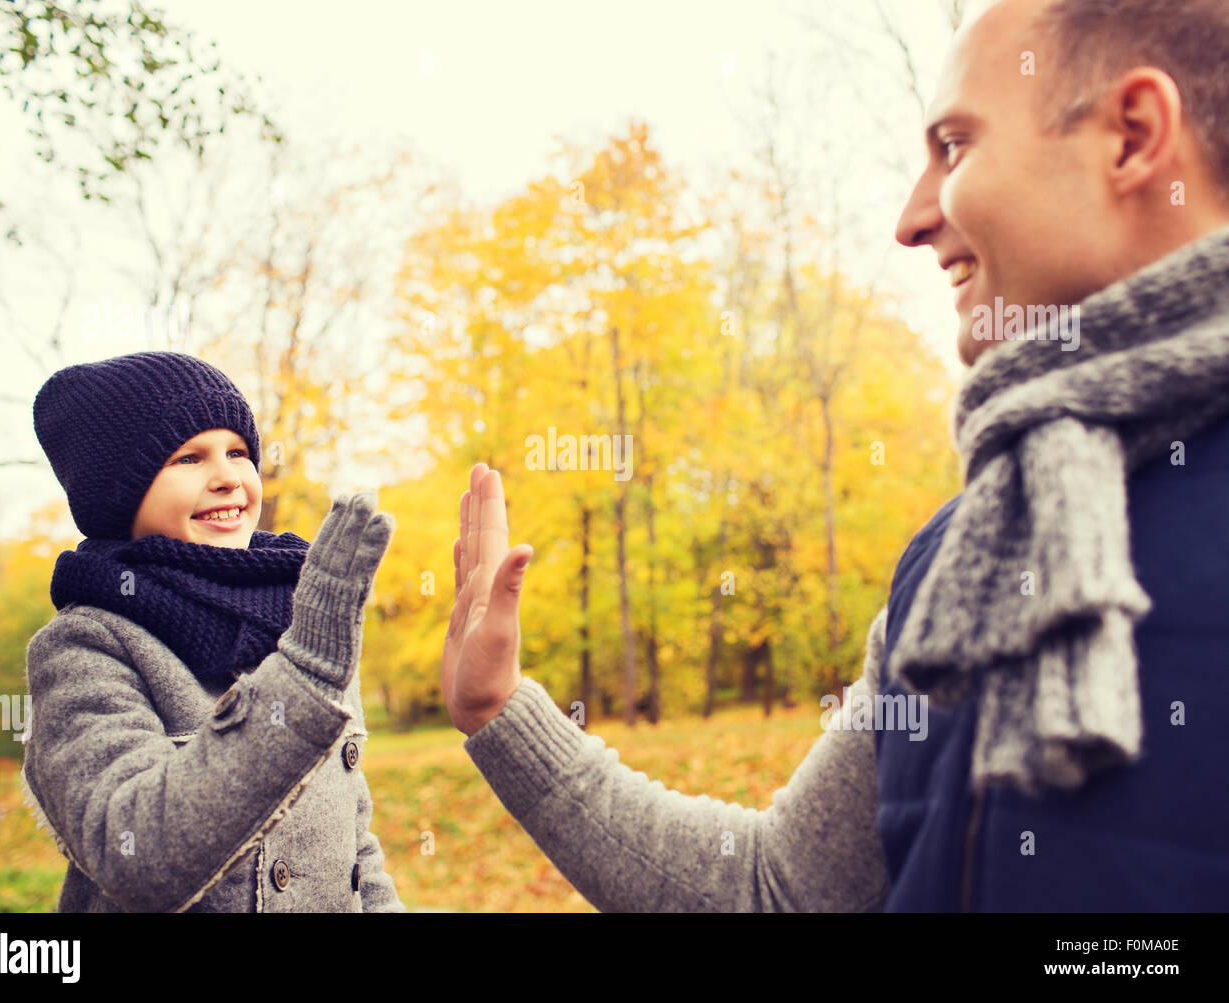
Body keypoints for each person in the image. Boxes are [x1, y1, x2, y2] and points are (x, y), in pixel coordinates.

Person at [440, 0, 1229, 911]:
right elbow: (779, 889)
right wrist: (501, 714)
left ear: (1132, 137)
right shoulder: (958, 562)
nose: (911, 217)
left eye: (956, 147)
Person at [22, 350, 403, 913]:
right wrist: (302, 682)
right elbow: (136, 856)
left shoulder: (298, 613)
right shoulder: (87, 645)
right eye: (188, 458)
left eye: (239, 452)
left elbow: (352, 843)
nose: (227, 477)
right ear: (117, 496)